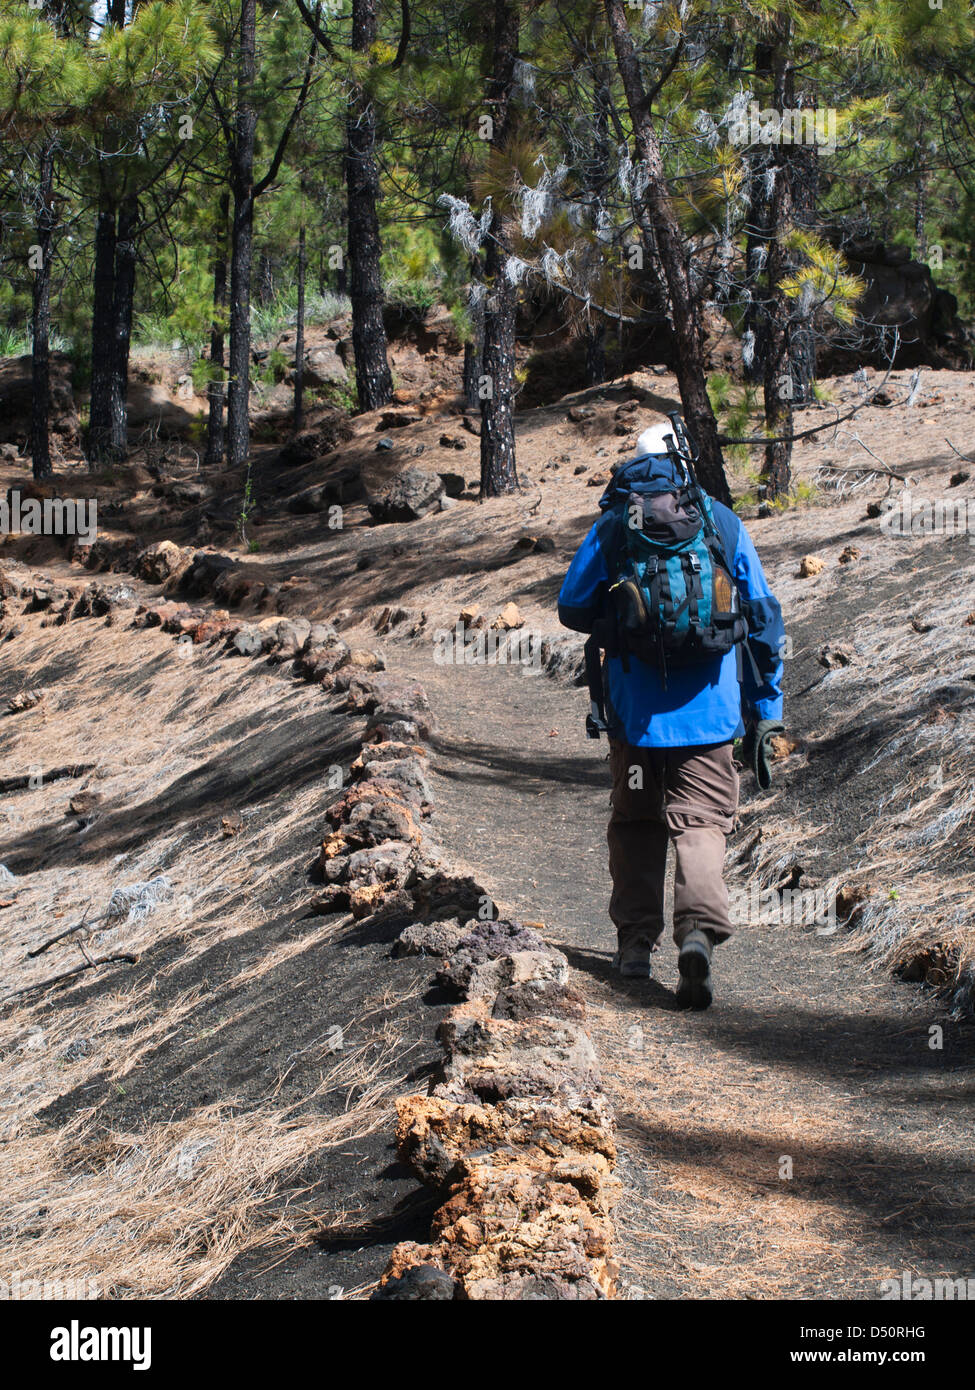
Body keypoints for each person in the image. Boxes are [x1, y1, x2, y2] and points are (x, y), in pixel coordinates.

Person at [557, 419, 785, 1009]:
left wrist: (622, 618)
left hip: (635, 718)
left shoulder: (616, 524)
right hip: (710, 713)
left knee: (637, 822)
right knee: (703, 821)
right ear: (683, 463)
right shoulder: (717, 520)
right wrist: (768, 707)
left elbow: (571, 606)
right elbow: (762, 619)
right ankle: (699, 935)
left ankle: (635, 945)